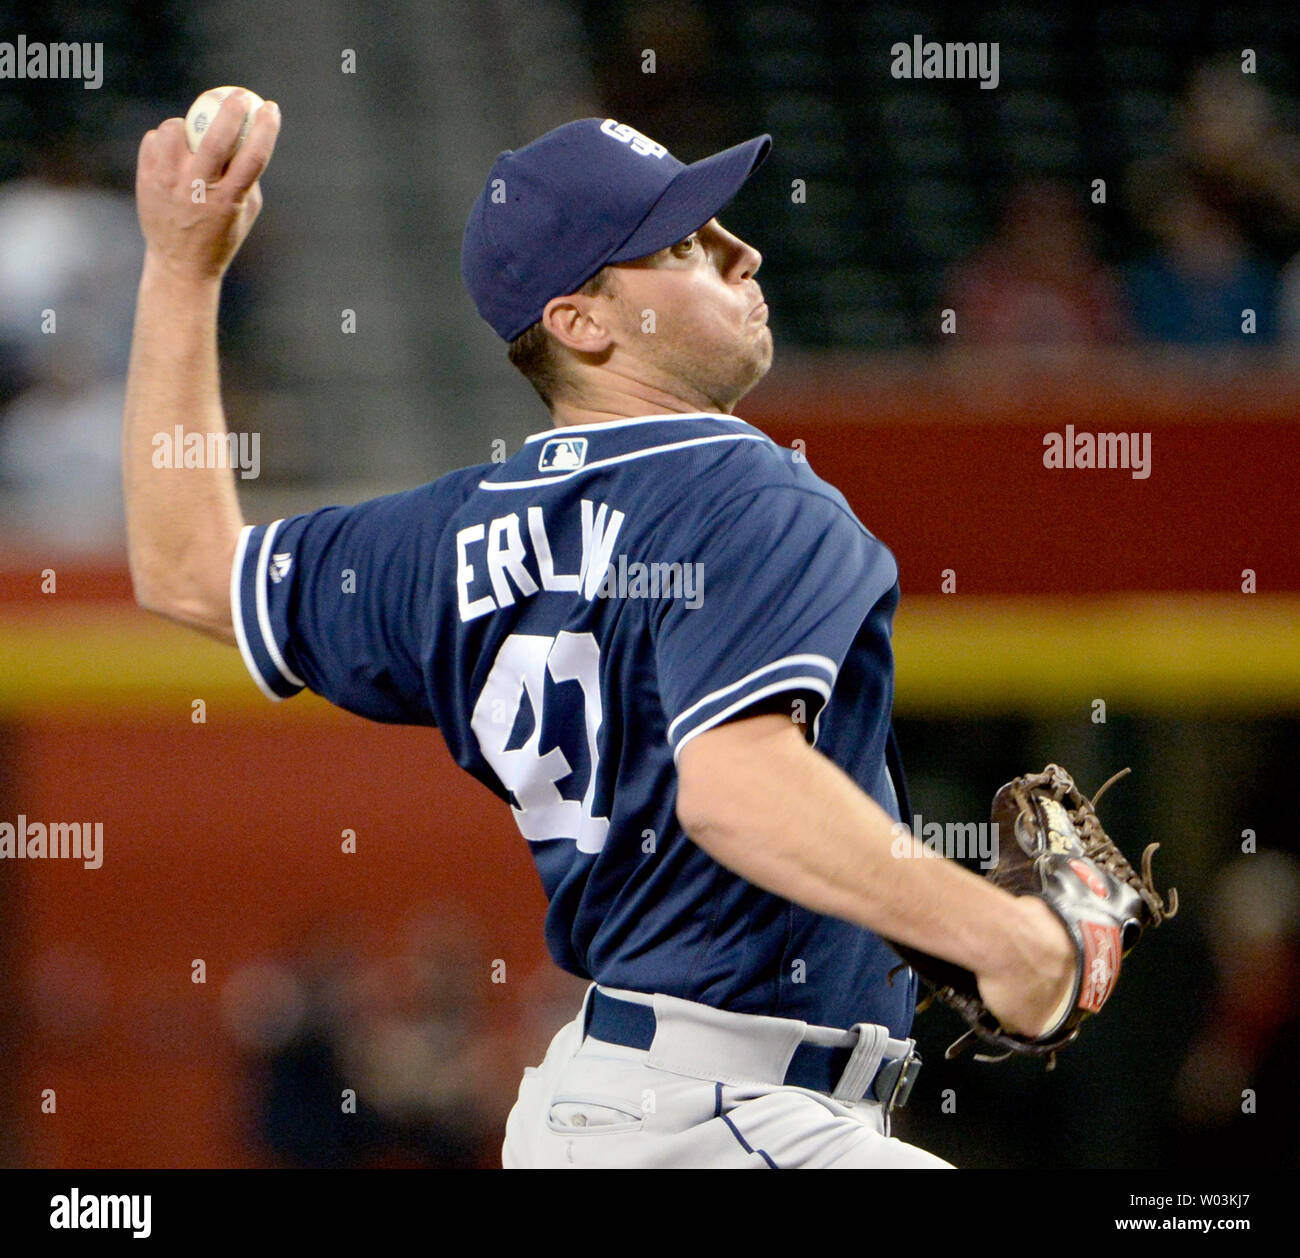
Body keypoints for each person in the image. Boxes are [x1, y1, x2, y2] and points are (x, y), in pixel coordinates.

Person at [124, 97, 1077, 1169]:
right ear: (582, 321)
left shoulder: (446, 532)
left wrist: (180, 265)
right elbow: (735, 788)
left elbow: (188, 571)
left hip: (611, 1102)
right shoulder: (750, 493)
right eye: (684, 244)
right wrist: (1006, 940)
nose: (742, 249)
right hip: (729, 1110)